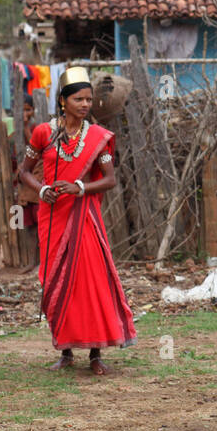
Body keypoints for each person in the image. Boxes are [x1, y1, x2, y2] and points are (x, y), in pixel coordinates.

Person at [18, 67, 135, 375]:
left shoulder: (98, 137)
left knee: (90, 281)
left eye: (88, 99)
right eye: (79, 99)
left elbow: (109, 180)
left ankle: (96, 352)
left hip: (85, 216)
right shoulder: (43, 132)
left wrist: (80, 187)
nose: (85, 105)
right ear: (62, 101)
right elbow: (24, 171)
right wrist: (42, 189)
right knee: (55, 280)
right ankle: (65, 350)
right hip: (53, 215)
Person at [12, 95, 41, 271]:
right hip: (22, 184)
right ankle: (31, 261)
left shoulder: (37, 129)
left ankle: (42, 262)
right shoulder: (12, 135)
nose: (25, 113)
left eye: (28, 109)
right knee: (28, 225)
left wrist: (24, 126)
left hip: (37, 179)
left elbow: (35, 146)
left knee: (41, 224)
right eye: (21, 110)